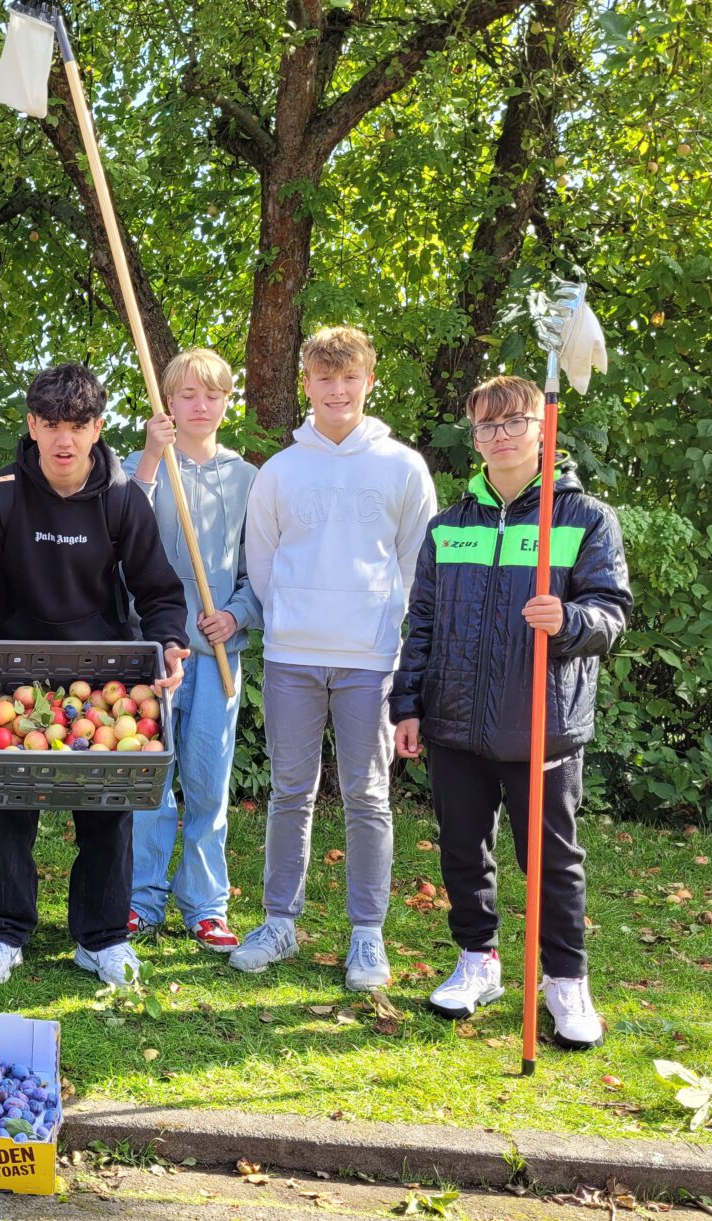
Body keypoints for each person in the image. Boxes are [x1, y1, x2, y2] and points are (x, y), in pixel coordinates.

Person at [391, 375, 630, 1047]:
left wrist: (572, 618)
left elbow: (613, 613)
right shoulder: (448, 527)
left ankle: (565, 981)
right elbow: (424, 624)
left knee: (551, 859)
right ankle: (477, 960)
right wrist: (407, 704)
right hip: (455, 721)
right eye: (486, 426)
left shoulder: (583, 518)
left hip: (542, 723)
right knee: (464, 850)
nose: (499, 436)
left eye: (513, 422)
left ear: (542, 427)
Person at [0, 362, 190, 989]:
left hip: (104, 669)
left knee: (106, 807)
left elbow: (159, 591)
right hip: (12, 670)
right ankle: (1, 932)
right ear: (31, 426)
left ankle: (102, 936)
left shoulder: (121, 499)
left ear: (97, 429)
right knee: (8, 808)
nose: (64, 439)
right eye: (51, 424)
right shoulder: (1, 495)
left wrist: (169, 644)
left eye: (78, 425)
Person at [236, 325, 436, 989]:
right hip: (294, 656)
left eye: (349, 377)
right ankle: (279, 921)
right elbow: (261, 562)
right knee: (290, 791)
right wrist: (294, 614)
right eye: (325, 378)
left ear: (368, 381)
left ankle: (366, 934)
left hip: (370, 659)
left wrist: (387, 628)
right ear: (307, 384)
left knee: (367, 794)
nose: (337, 389)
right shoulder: (282, 471)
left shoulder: (402, 467)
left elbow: (419, 565)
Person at [124, 349, 261, 952]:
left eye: (211, 395)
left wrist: (235, 615)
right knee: (149, 778)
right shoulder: (142, 466)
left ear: (226, 403)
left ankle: (205, 904)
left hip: (214, 654)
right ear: (167, 404)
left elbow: (263, 571)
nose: (199, 406)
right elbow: (120, 535)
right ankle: (139, 899)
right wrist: (154, 457)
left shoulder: (250, 479)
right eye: (186, 395)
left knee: (207, 781)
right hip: (150, 650)